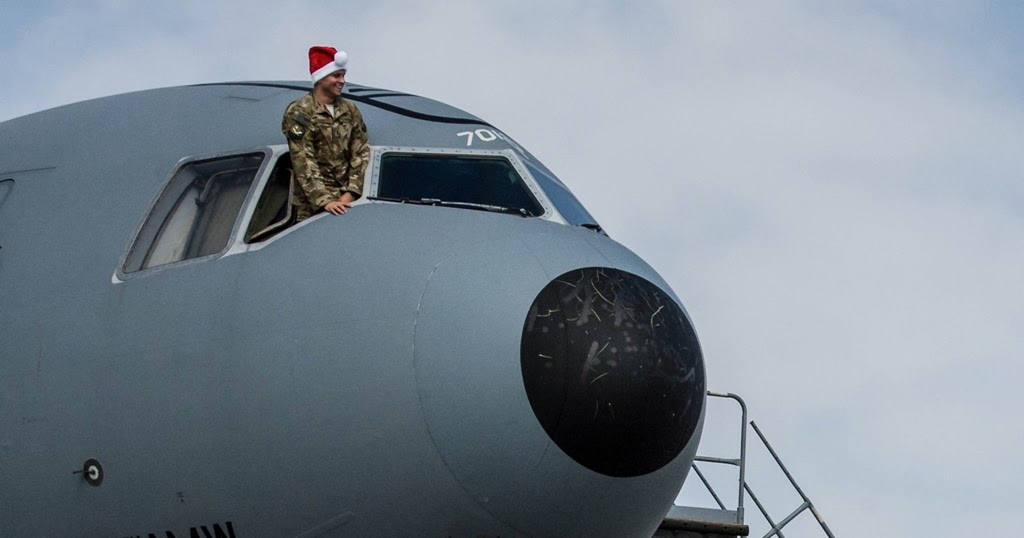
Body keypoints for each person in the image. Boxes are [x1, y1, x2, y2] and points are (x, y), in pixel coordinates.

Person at [281, 46, 370, 221]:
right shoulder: (300, 111)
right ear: (321, 78)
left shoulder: (350, 110)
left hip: (349, 201)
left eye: (343, 75)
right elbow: (303, 159)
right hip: (311, 206)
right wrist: (324, 200)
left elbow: (360, 151)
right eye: (336, 76)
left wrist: (351, 192)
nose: (342, 81)